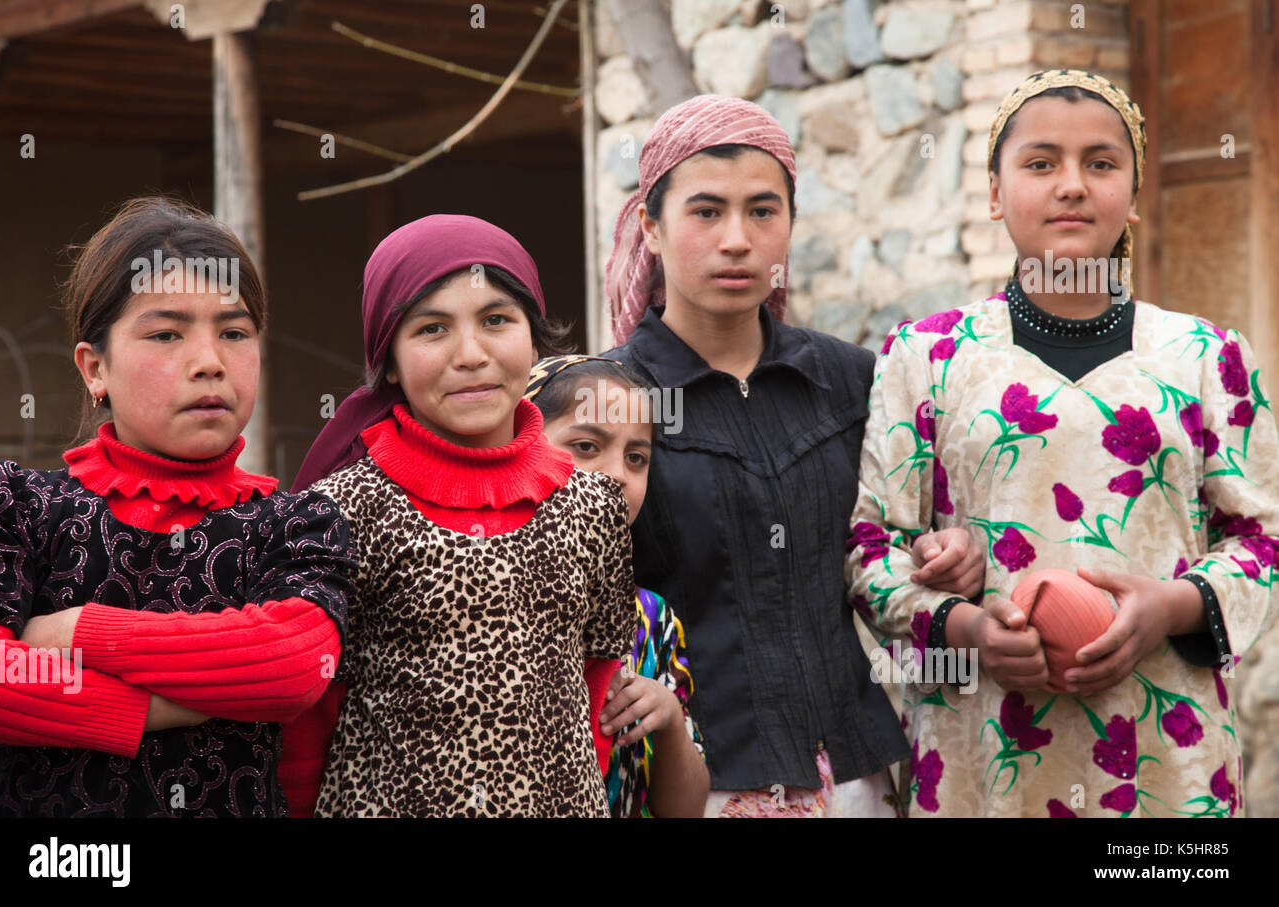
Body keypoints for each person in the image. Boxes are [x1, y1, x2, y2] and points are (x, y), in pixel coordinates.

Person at [847, 69, 1279, 817]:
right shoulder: (927, 356)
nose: (1072, 185)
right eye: (1040, 163)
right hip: (981, 760)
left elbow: (1263, 536)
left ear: (1135, 198)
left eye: (1101, 163)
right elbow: (870, 544)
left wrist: (1172, 605)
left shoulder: (1207, 355)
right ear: (993, 193)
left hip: (1166, 767)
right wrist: (969, 628)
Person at [604, 95, 983, 817]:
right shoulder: (609, 403)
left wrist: (951, 551)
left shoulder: (852, 380)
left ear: (791, 223)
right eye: (706, 212)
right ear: (650, 227)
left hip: (853, 776)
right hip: (689, 784)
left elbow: (901, 540)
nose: (738, 240)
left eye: (763, 211)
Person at [0, 196, 352, 817]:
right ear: (94, 367)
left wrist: (76, 633)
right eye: (166, 334)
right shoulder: (19, 508)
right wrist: (146, 708)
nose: (210, 363)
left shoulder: (297, 525)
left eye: (234, 333)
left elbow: (291, 666)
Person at [281, 215, 636, 817]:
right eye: (432, 329)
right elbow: (309, 715)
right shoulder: (341, 512)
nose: (470, 355)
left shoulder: (595, 505)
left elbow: (595, 681)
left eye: (497, 320)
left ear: (534, 335)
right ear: (388, 361)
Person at [527, 355, 710, 817]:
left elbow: (683, 811)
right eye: (587, 446)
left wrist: (668, 718)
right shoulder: (470, 587)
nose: (617, 474)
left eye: (637, 457)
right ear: (520, 444)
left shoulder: (652, 620)